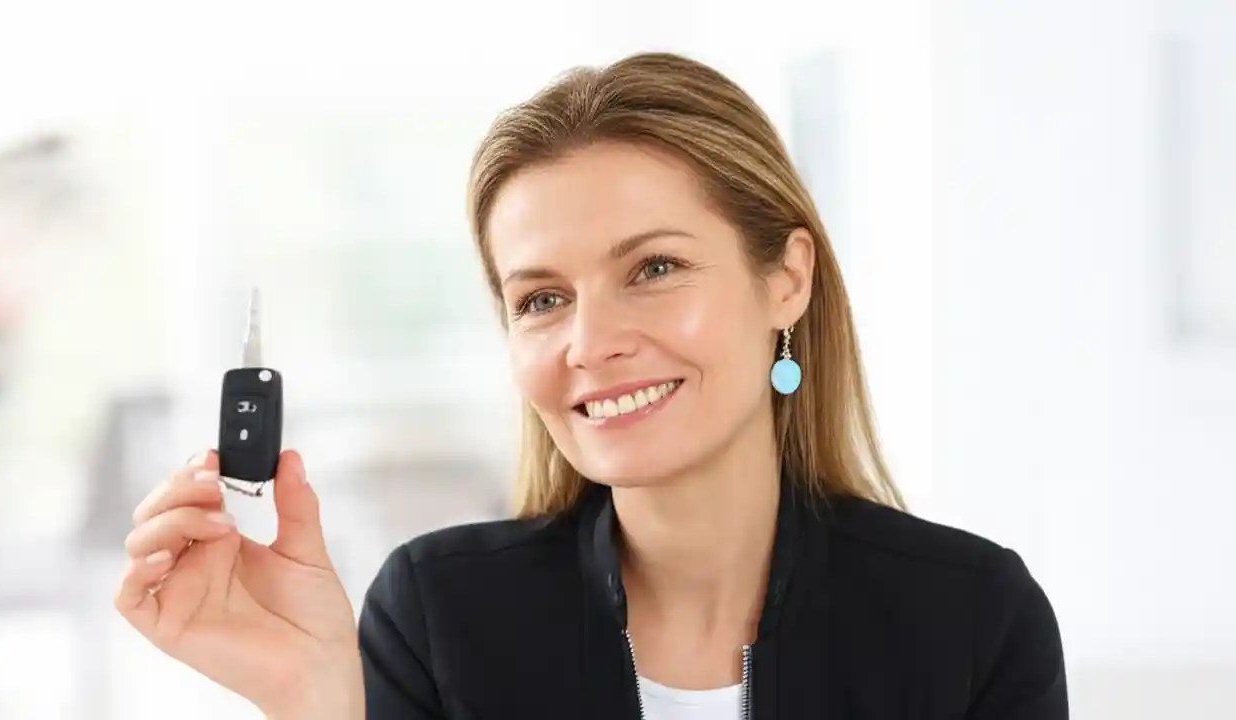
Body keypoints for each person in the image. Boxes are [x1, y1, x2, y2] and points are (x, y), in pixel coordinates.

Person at [114, 52, 1067, 719]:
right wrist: (312, 699)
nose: (591, 341)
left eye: (653, 268)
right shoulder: (439, 616)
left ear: (787, 278)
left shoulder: (972, 619)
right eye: (541, 299)